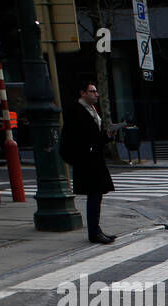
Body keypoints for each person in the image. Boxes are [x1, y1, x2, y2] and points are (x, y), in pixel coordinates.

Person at [60, 79, 116, 243]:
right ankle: (94, 232)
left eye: (96, 91)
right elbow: (80, 138)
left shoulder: (92, 110)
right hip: (86, 160)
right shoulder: (76, 111)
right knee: (94, 195)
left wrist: (107, 136)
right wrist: (96, 142)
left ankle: (96, 230)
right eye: (92, 91)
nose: (96, 94)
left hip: (94, 159)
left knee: (97, 196)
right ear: (82, 93)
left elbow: (94, 137)